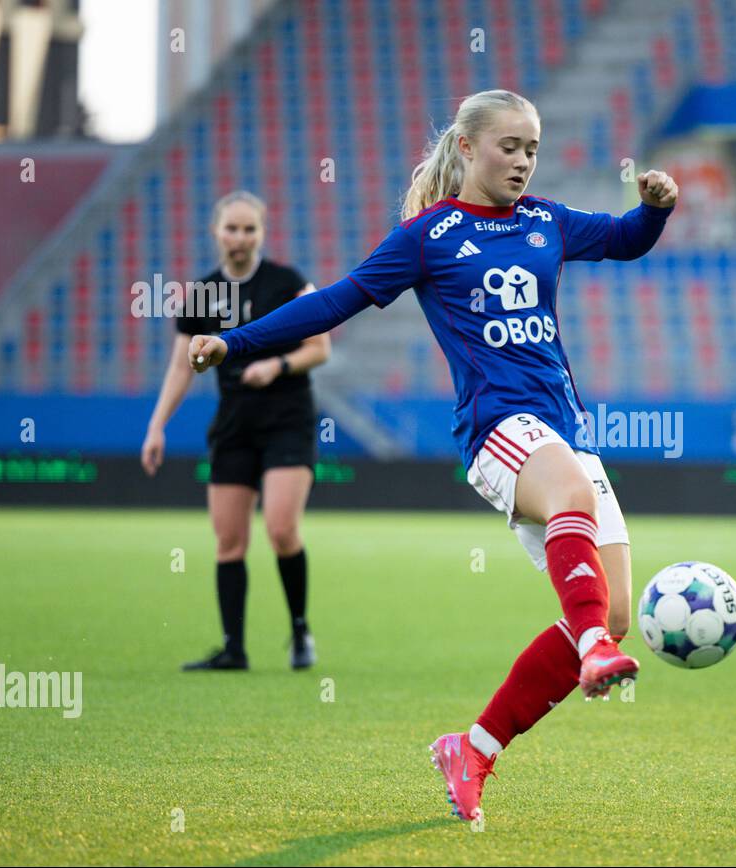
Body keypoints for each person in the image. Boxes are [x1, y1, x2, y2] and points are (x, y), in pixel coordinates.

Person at [185, 89, 676, 822]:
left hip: (565, 433)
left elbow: (625, 237)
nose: (522, 161)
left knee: (610, 609)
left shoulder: (547, 221)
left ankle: (474, 747)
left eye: (533, 148)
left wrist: (656, 209)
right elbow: (335, 302)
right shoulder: (431, 235)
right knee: (580, 547)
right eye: (509, 146)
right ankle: (595, 651)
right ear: (469, 148)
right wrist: (235, 340)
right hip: (498, 428)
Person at [142, 190, 331, 671]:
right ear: (216, 233)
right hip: (234, 426)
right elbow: (182, 366)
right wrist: (157, 425)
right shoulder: (201, 293)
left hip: (287, 420)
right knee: (229, 541)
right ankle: (233, 649)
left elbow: (320, 348)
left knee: (282, 529)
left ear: (262, 233)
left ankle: (299, 630)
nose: (241, 237)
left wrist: (278, 366)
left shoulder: (288, 282)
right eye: (232, 228)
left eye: (250, 229)